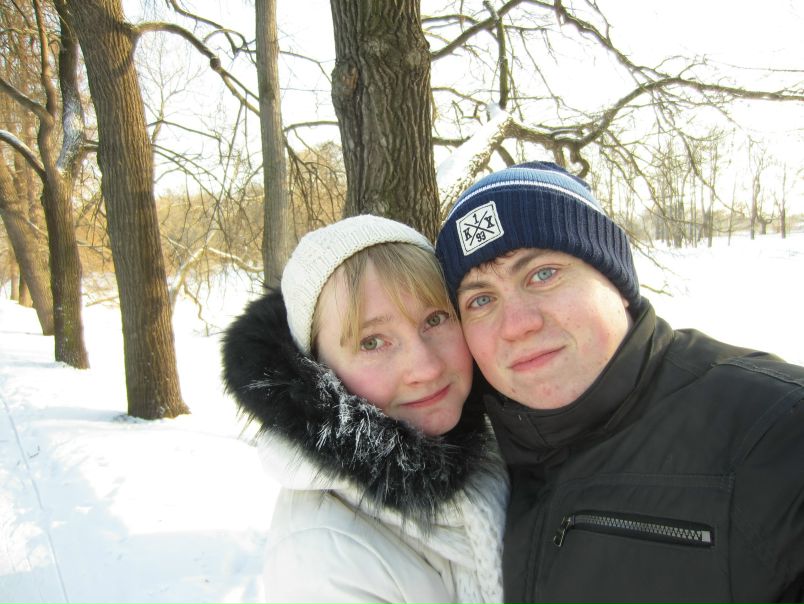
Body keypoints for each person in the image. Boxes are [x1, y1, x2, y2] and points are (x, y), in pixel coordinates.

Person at [434, 161, 804, 602]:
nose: (516, 325)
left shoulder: (777, 433)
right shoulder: (466, 470)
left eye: (543, 274)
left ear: (615, 281)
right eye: (480, 300)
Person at [221, 215, 508, 603]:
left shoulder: (503, 438)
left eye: (435, 319)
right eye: (372, 342)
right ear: (317, 368)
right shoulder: (323, 567)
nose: (426, 368)